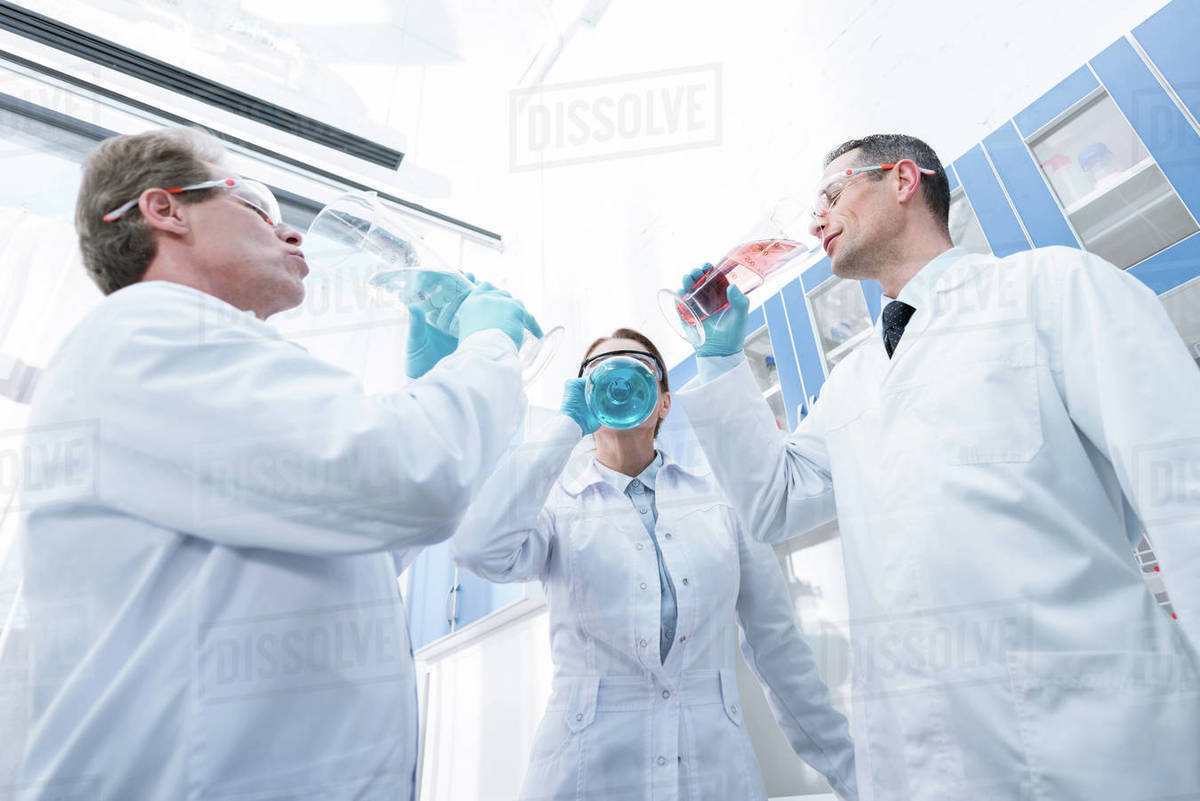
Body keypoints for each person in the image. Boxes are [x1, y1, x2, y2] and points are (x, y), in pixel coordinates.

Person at [18, 127, 540, 801]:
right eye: (260, 207)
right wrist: (488, 343)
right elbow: (407, 477)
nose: (292, 235)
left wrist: (434, 386)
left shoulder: (186, 354)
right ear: (166, 209)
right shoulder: (148, 333)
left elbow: (355, 544)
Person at [673, 133, 1200, 801]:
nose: (814, 221)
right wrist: (722, 362)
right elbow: (775, 499)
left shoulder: (1052, 288)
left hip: (1092, 745)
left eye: (832, 195)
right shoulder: (856, 378)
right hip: (917, 763)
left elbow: (1184, 485)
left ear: (901, 181)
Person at [452, 328, 859, 801]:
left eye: (637, 368)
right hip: (585, 775)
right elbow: (476, 548)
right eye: (601, 374)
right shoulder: (557, 509)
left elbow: (780, 653)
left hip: (715, 774)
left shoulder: (723, 499)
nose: (620, 381)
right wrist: (564, 427)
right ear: (585, 397)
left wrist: (854, 778)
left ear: (664, 401)